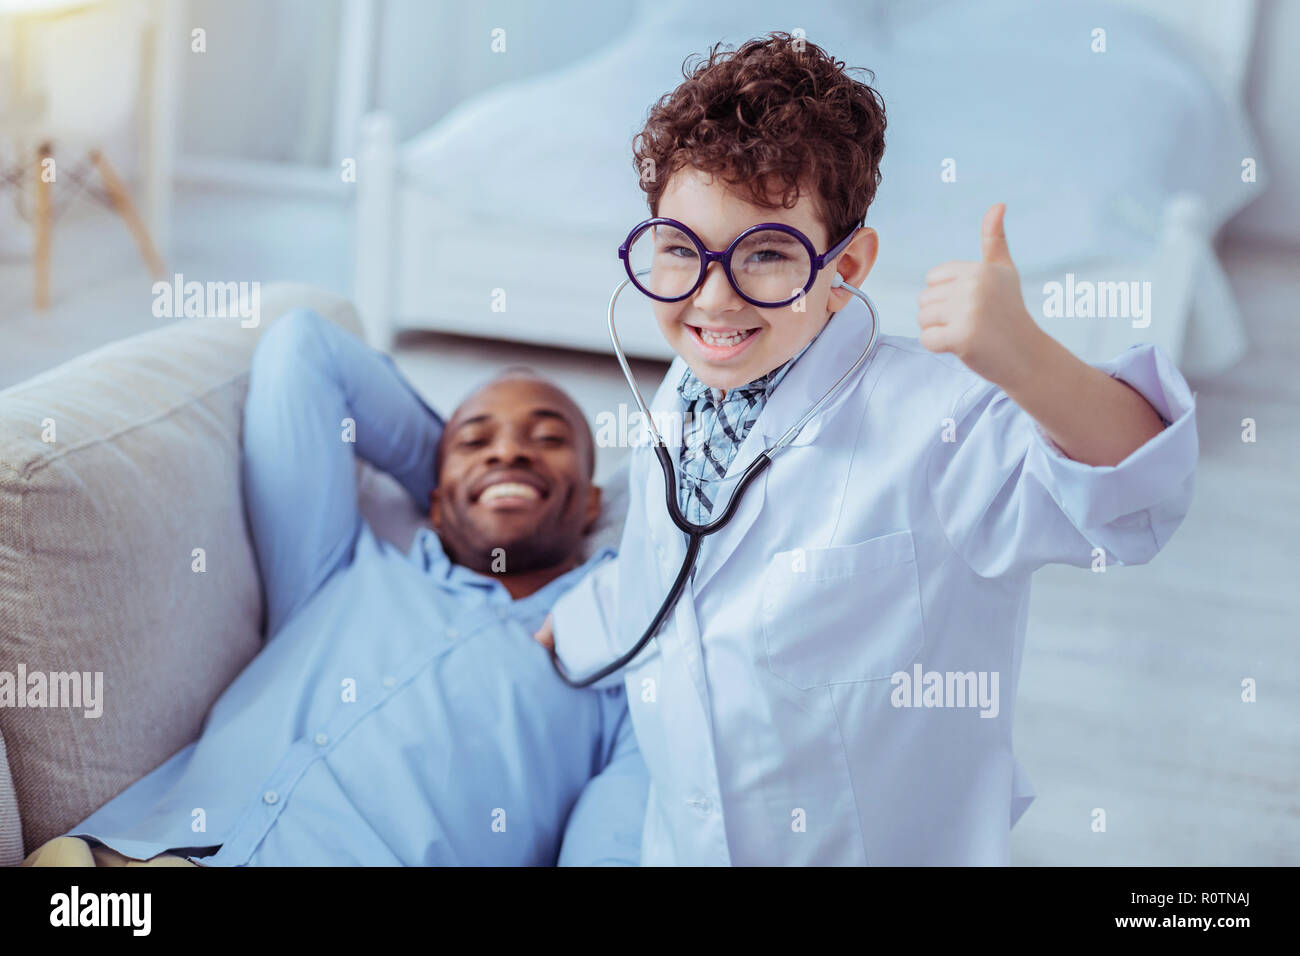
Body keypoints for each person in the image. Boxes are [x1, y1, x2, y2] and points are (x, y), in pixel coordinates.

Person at [537, 32, 1197, 865]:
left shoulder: (938, 425)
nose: (712, 297)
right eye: (680, 249)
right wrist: (579, 625)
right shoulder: (684, 391)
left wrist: (1025, 360)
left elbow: (1139, 495)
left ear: (846, 265)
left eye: (767, 254)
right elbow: (668, 570)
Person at [24, 308, 647, 867]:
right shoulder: (336, 563)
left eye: (547, 439)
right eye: (477, 439)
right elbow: (306, 350)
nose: (509, 451)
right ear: (430, 497)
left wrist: (480, 470)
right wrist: (470, 478)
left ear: (594, 501)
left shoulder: (624, 670)